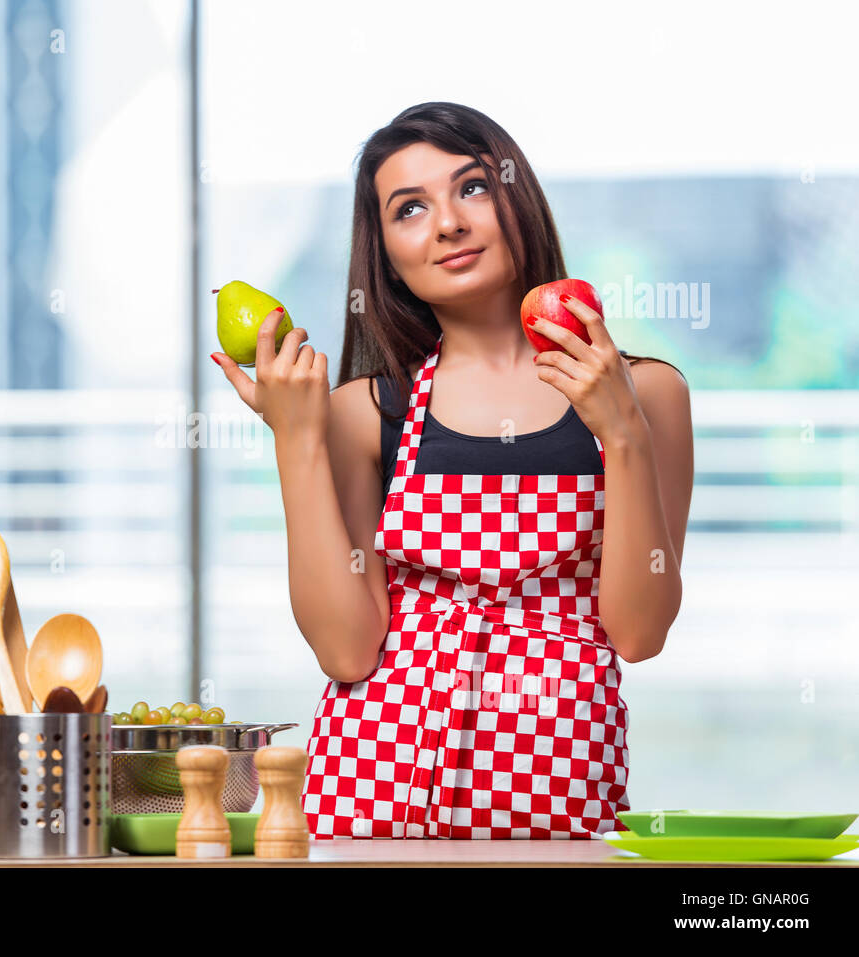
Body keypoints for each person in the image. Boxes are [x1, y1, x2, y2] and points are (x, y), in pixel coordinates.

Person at [211, 102, 693, 839]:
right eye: (410, 209)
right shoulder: (364, 411)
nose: (447, 223)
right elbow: (346, 648)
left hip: (563, 802)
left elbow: (638, 631)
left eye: (471, 187)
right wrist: (296, 440)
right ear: (387, 254)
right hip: (372, 794)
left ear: (515, 197)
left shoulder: (648, 393)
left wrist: (621, 432)